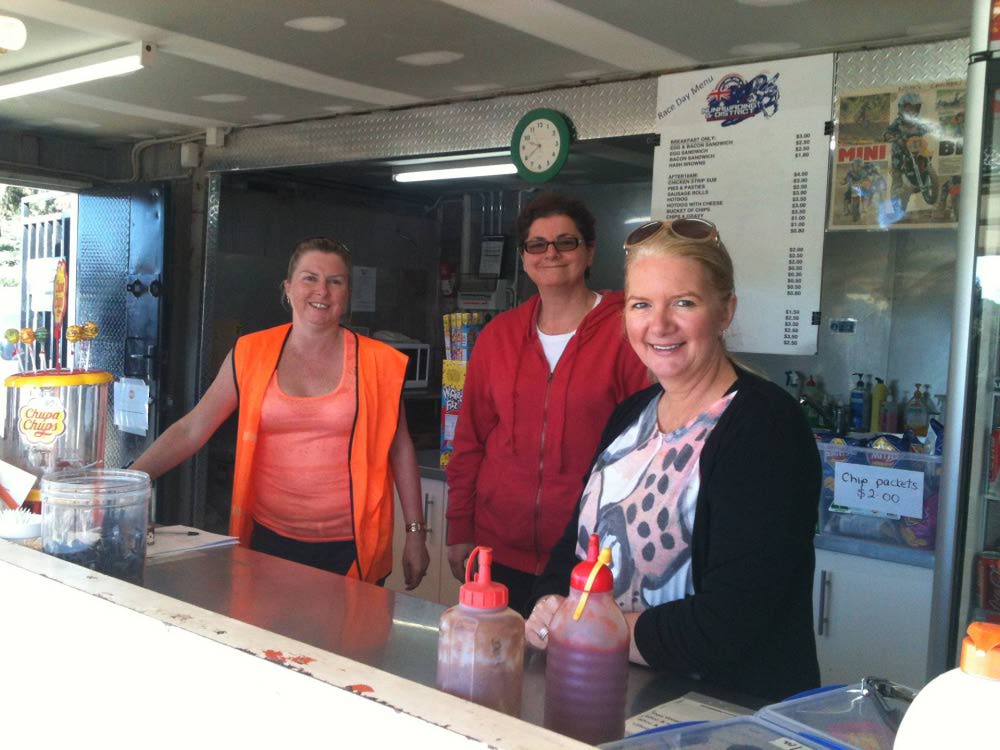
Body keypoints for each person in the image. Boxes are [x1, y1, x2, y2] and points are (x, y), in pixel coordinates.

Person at [525, 218, 821, 701]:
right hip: (608, 695)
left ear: (726, 312)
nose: (659, 325)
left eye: (684, 302)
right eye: (642, 305)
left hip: (722, 715)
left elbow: (729, 621)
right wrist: (547, 603)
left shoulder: (763, 425)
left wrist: (592, 627)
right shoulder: (631, 415)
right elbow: (573, 550)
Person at [132, 237, 430, 588]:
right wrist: (129, 480)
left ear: (347, 293)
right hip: (267, 542)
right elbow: (193, 428)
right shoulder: (249, 352)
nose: (322, 291)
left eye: (335, 281)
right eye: (310, 278)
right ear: (288, 288)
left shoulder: (378, 361)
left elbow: (400, 446)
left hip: (351, 547)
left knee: (349, 642)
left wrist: (415, 533)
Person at [445, 193, 649, 615]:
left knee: (576, 676)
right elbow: (469, 443)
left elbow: (645, 451)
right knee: (498, 668)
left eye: (566, 242)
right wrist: (458, 529)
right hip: (497, 551)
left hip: (590, 555)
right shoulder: (498, 336)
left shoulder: (626, 334)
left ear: (589, 251)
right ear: (523, 258)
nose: (551, 253)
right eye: (537, 244)